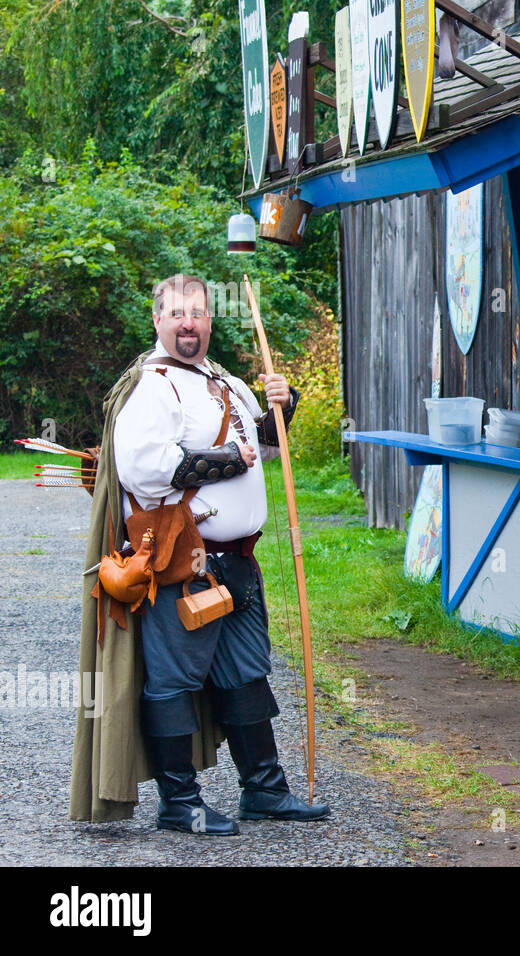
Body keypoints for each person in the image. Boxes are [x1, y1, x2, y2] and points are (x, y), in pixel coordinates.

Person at [70, 274, 328, 834]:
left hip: (238, 563)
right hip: (184, 564)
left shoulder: (226, 381)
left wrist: (283, 409)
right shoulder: (151, 386)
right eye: (178, 313)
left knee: (246, 676)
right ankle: (180, 805)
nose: (189, 323)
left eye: (199, 313)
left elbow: (258, 449)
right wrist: (229, 460)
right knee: (174, 681)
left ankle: (263, 791)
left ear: (211, 320)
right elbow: (142, 467)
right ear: (157, 320)